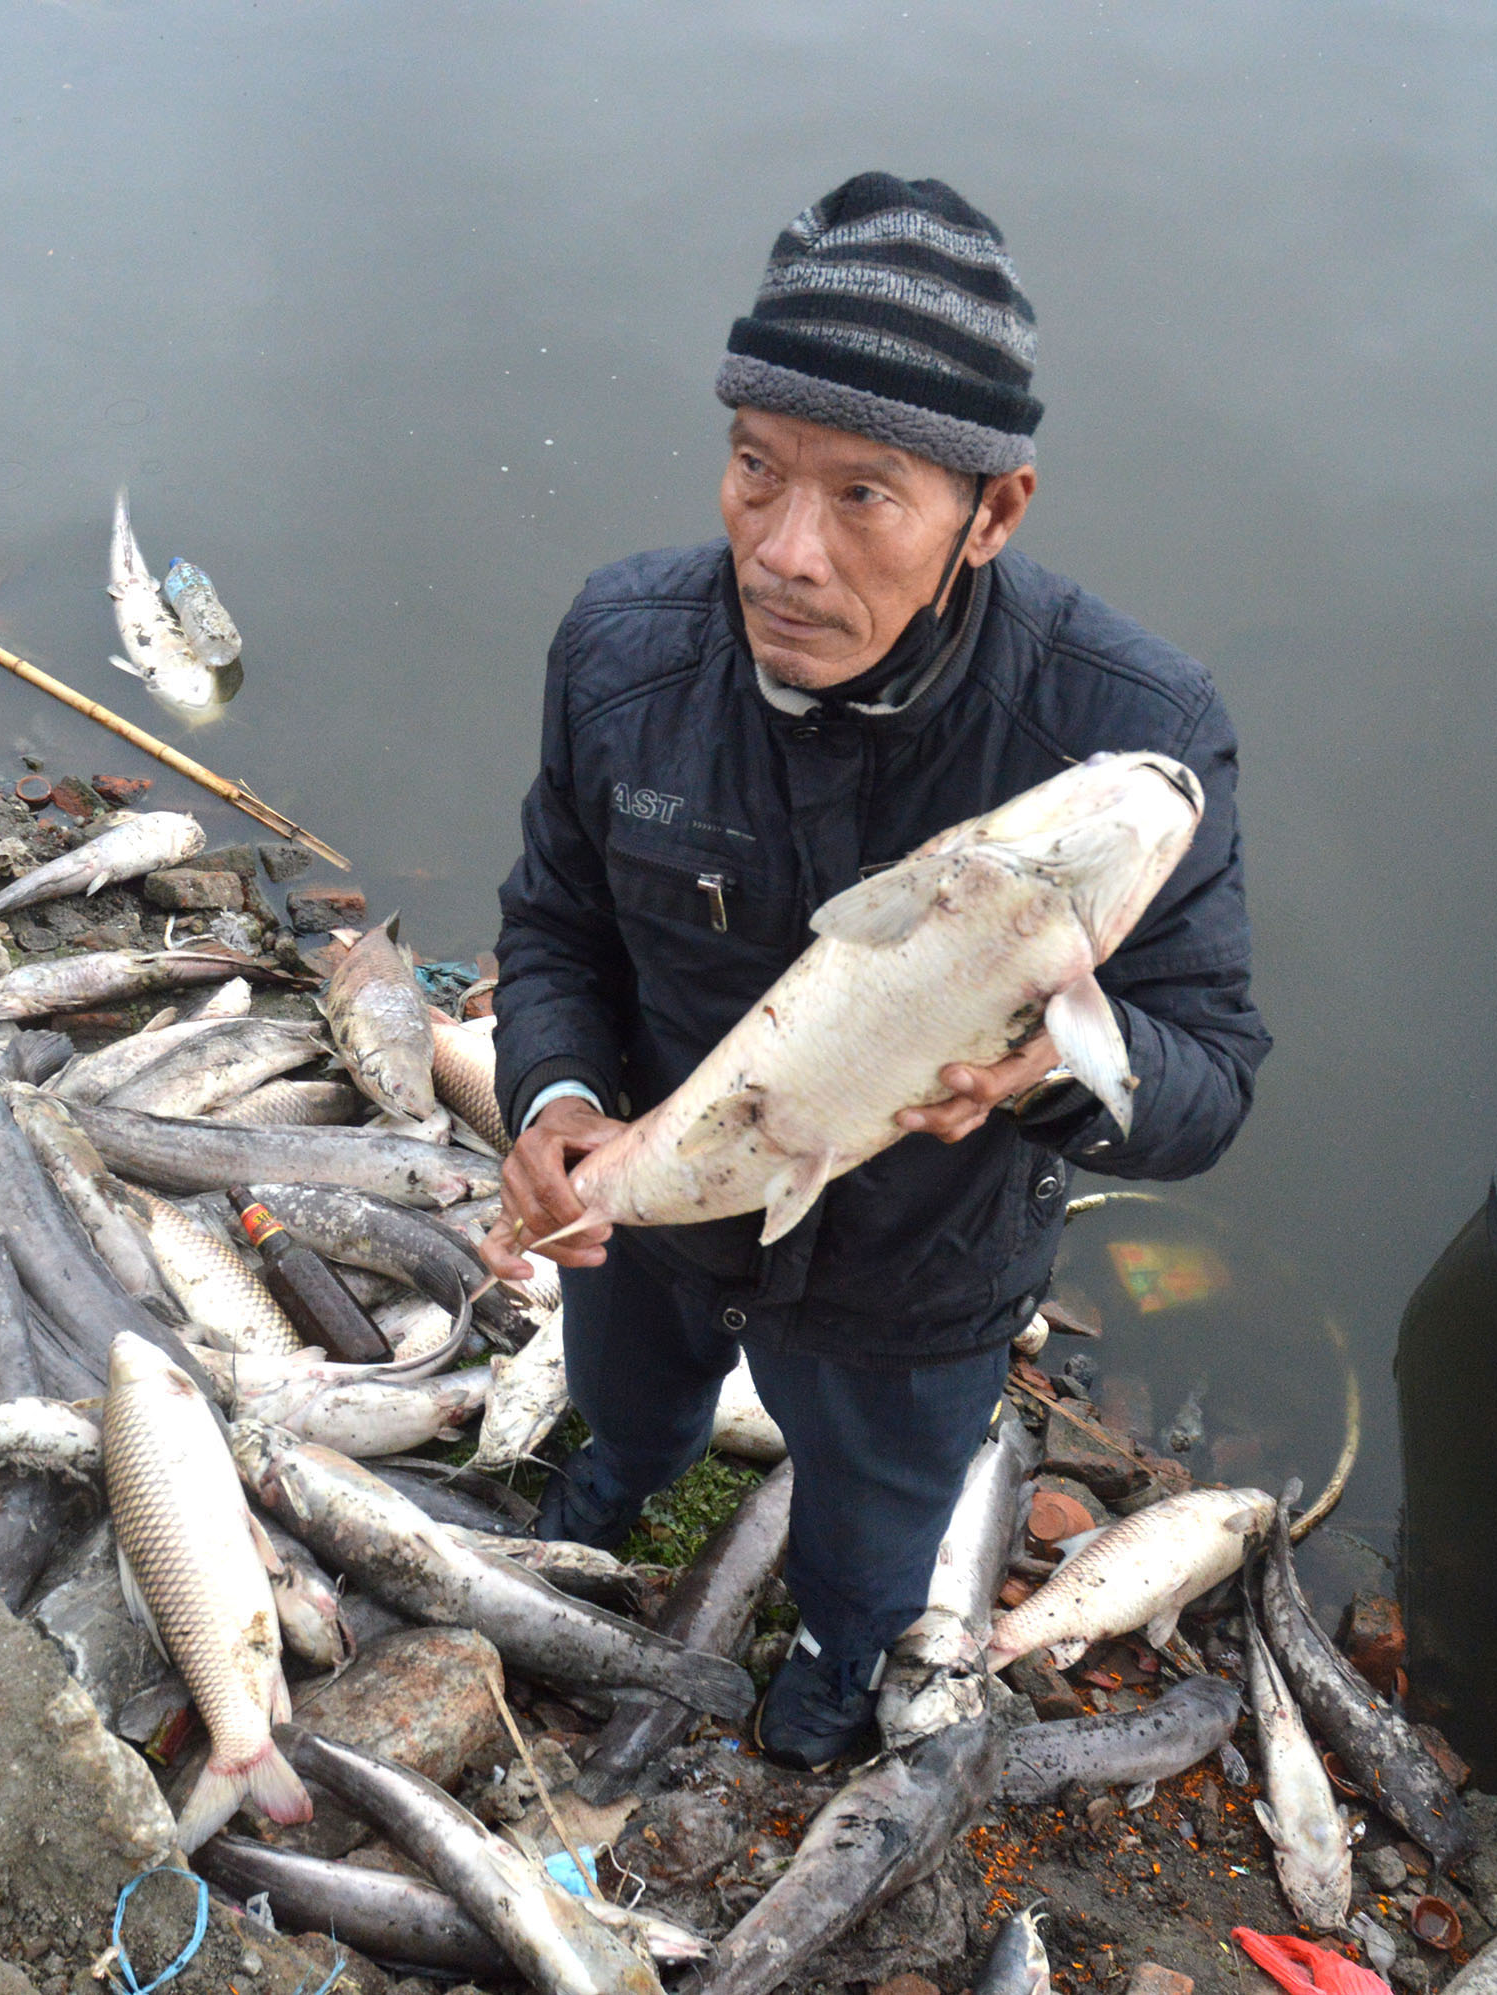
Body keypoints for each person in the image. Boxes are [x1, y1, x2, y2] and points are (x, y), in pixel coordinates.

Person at [477, 172, 1271, 1770]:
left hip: (920, 1279)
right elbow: (556, 916)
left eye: (864, 497)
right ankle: (610, 1494)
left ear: (996, 511)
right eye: (753, 471)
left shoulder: (1129, 746)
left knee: (872, 1531)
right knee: (623, 1401)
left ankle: (837, 1664)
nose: (783, 552)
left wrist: (1059, 1079)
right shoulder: (625, 651)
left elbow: (1211, 1079)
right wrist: (557, 1096)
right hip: (664, 1200)